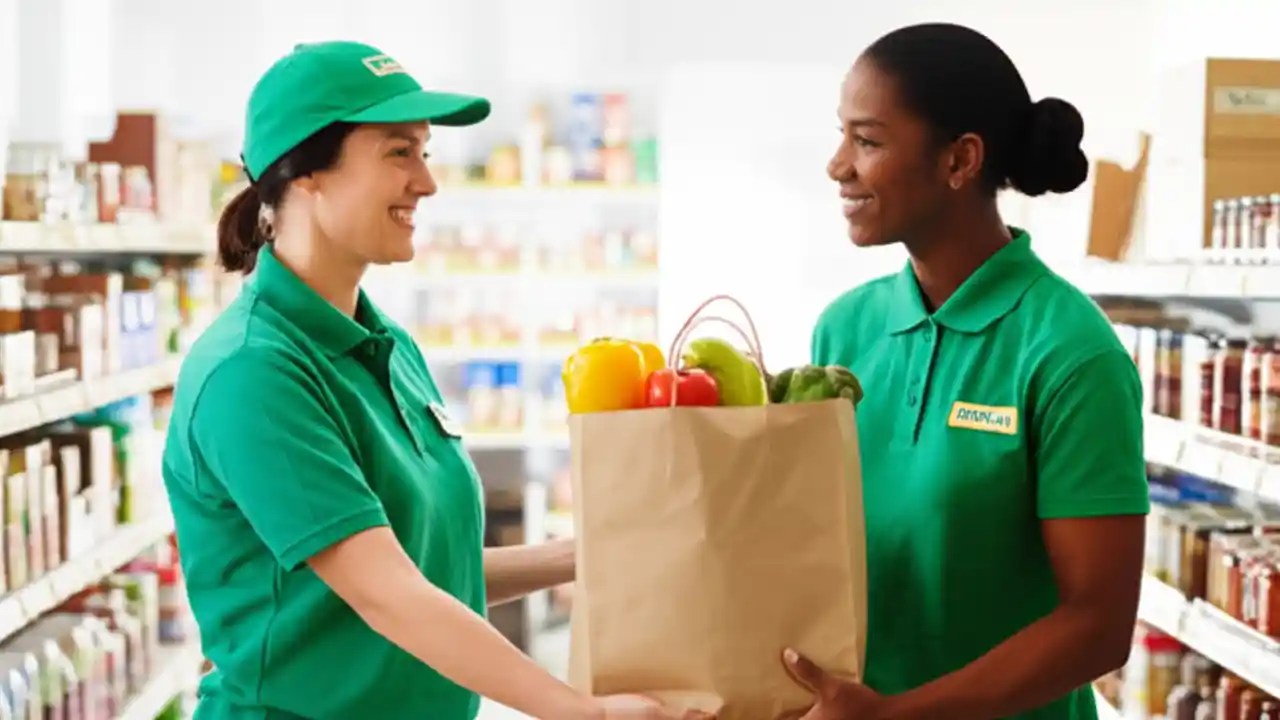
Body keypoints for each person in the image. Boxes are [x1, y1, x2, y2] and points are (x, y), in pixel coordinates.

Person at [161, 40, 708, 720]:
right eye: (399, 152)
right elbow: (387, 591)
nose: (427, 181)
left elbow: (430, 571)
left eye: (425, 152)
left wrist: (590, 555)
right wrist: (583, 712)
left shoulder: (387, 345)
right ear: (306, 172)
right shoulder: (253, 372)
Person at [780, 23, 1148, 720]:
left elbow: (1097, 626)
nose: (838, 165)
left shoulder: (1070, 353)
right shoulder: (844, 327)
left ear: (960, 160)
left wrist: (896, 715)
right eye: (843, 136)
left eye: (867, 140)